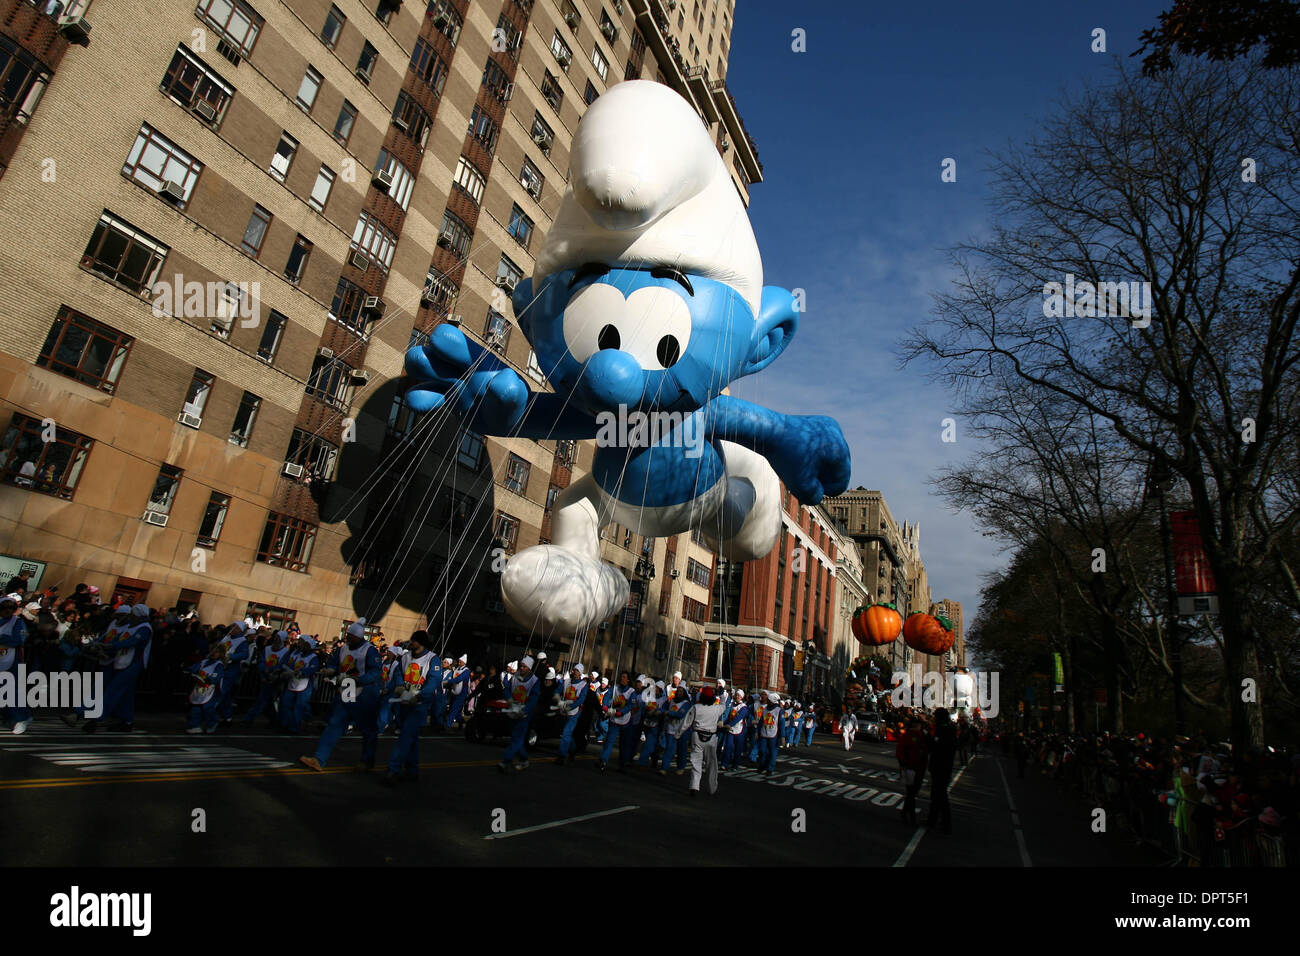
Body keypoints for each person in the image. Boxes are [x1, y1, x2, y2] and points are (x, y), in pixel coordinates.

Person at [299, 621, 382, 772]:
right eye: (347, 635)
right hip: (346, 691)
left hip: (364, 694)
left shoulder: (369, 650)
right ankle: (319, 758)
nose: (347, 638)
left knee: (367, 729)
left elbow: (376, 671)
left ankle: (367, 760)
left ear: (358, 636)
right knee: (334, 724)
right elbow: (334, 663)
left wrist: (359, 679)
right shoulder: (343, 649)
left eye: (350, 635)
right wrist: (331, 670)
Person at [84, 604, 152, 733]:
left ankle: (97, 719)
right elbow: (116, 638)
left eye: (132, 614)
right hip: (122, 662)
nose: (130, 617)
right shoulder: (132, 626)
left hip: (133, 664)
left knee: (113, 690)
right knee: (126, 695)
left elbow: (131, 642)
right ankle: (127, 721)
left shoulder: (145, 628)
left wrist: (110, 646)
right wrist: (101, 644)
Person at [383, 631, 440, 784]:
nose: (411, 643)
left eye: (414, 641)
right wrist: (400, 685)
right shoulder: (405, 657)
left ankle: (393, 769)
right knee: (411, 737)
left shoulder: (432, 659)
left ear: (421, 643)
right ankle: (412, 770)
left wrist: (421, 696)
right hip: (404, 701)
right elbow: (399, 673)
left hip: (419, 704)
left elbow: (433, 681)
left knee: (405, 735)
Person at [498, 655, 540, 772]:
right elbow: (507, 689)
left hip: (524, 714)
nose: (522, 668)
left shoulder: (534, 681)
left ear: (530, 668)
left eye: (525, 667)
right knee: (516, 737)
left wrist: (525, 710)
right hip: (513, 710)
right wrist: (509, 699)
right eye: (521, 666)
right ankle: (524, 759)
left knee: (516, 736)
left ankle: (506, 760)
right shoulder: (515, 677)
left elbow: (533, 698)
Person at [682, 685, 725, 796]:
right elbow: (724, 705)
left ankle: (694, 787)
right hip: (711, 737)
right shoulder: (717, 708)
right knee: (712, 764)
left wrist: (678, 734)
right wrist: (722, 694)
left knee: (696, 763)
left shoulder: (696, 707)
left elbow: (686, 722)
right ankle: (712, 788)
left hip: (697, 736)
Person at [242, 630, 289, 726]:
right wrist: (264, 673)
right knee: (266, 700)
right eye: (275, 637)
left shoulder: (285, 652)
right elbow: (261, 661)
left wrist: (274, 673)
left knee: (264, 699)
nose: (276, 640)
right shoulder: (267, 649)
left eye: (278, 638)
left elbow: (283, 664)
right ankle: (274, 719)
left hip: (276, 679)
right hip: (265, 677)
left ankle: (249, 719)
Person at [0, 597, 31, 734]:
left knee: (10, 690)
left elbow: (19, 639)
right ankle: (7, 716)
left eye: (10, 608)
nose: (7, 611)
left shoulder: (17, 622)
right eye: (4, 607)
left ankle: (23, 718)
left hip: (10, 661)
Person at [279, 634, 320, 734]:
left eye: (303, 643)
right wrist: (285, 670)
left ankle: (294, 727)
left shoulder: (313, 657)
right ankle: (286, 723)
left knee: (299, 706)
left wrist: (302, 671)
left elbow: (313, 668)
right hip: (293, 681)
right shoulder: (296, 653)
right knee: (286, 703)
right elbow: (287, 663)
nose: (300, 644)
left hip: (304, 684)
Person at [214, 622, 252, 724]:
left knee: (221, 691)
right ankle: (227, 715)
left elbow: (244, 654)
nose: (232, 628)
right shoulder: (227, 637)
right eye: (232, 626)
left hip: (231, 669)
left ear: (240, 629)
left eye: (235, 627)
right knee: (225, 694)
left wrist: (231, 657)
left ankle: (209, 712)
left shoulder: (242, 641)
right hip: (220, 667)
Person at [598, 672, 637, 772]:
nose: (622, 679)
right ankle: (603, 760)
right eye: (621, 677)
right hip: (614, 719)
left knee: (624, 743)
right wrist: (605, 706)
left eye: (624, 677)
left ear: (628, 680)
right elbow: (607, 696)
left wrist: (621, 712)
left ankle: (622, 763)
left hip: (625, 720)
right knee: (609, 741)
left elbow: (631, 705)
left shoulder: (631, 691)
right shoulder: (615, 688)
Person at [925, 709, 956, 834]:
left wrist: (927, 736)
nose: (934, 719)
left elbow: (935, 746)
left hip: (941, 766)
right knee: (937, 795)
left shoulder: (944, 730)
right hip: (943, 766)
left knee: (940, 796)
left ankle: (943, 823)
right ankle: (935, 820)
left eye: (935, 717)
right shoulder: (949, 728)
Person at [187, 643, 226, 734]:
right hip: (200, 688)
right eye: (213, 651)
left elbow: (217, 676)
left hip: (211, 689)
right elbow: (194, 668)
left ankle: (212, 722)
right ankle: (194, 725)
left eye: (217, 652)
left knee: (207, 707)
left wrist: (210, 679)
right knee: (196, 706)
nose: (214, 653)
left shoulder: (218, 664)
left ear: (220, 654)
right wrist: (189, 669)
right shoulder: (204, 662)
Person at [897, 717, 928, 825]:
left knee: (912, 792)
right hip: (911, 767)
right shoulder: (908, 736)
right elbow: (900, 751)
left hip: (917, 767)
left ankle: (905, 812)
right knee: (912, 792)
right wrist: (903, 763)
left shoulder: (922, 736)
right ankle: (911, 817)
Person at [555, 663, 588, 764]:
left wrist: (569, 707)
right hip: (564, 711)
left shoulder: (583, 685)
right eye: (574, 670)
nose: (575, 672)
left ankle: (561, 756)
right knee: (567, 733)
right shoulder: (566, 682)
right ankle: (573, 749)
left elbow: (580, 700)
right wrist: (558, 700)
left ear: (580, 673)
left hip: (574, 712)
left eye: (577, 671)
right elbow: (557, 691)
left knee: (566, 732)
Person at [660, 685, 693, 774]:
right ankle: (664, 768)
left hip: (681, 730)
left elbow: (680, 714)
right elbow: (663, 708)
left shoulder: (686, 704)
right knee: (669, 749)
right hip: (670, 729)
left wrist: (668, 712)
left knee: (681, 750)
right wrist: (662, 711)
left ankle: (681, 767)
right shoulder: (671, 701)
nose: (678, 693)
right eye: (677, 691)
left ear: (684, 693)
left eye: (681, 691)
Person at [719, 689, 748, 769]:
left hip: (739, 730)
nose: (737, 696)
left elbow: (739, 717)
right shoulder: (732, 704)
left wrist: (730, 724)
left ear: (742, 697)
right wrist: (724, 722)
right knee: (728, 747)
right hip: (730, 730)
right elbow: (727, 714)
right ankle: (725, 763)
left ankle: (735, 764)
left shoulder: (744, 707)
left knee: (738, 749)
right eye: (736, 695)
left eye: (739, 695)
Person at [756, 691, 783, 775]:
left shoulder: (779, 710)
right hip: (764, 733)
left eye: (768, 699)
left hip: (773, 735)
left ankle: (770, 768)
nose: (767, 700)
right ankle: (762, 765)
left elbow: (781, 724)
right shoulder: (765, 709)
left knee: (772, 752)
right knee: (762, 751)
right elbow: (761, 721)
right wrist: (757, 731)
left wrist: (782, 736)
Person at [443, 654, 471, 730]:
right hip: (454, 691)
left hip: (462, 693)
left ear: (464, 662)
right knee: (454, 709)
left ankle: (447, 725)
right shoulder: (456, 669)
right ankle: (461, 722)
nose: (459, 663)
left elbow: (459, 679)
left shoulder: (466, 671)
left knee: (454, 709)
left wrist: (448, 681)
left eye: (460, 662)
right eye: (459, 662)